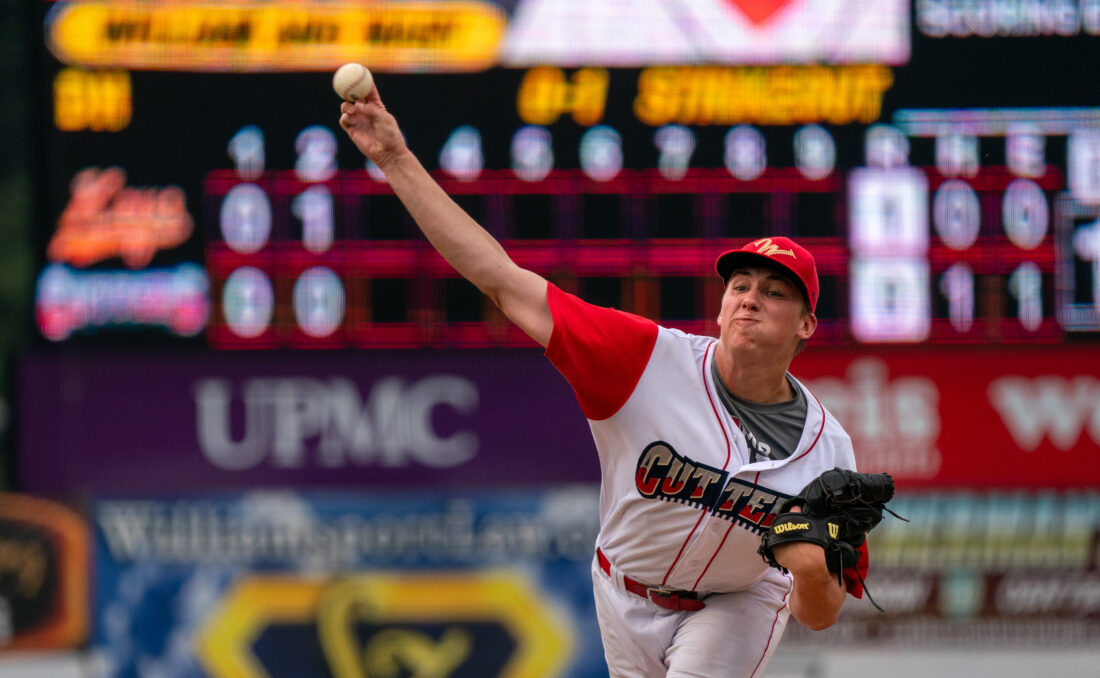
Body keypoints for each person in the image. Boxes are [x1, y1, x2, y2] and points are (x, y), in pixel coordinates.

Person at [339, 83, 867, 677]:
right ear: (720, 307)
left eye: (774, 292)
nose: (749, 299)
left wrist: (811, 572)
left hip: (740, 601)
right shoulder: (644, 361)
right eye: (739, 286)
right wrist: (395, 158)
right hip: (622, 589)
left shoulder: (828, 453)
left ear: (806, 325)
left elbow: (820, 615)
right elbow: (502, 281)